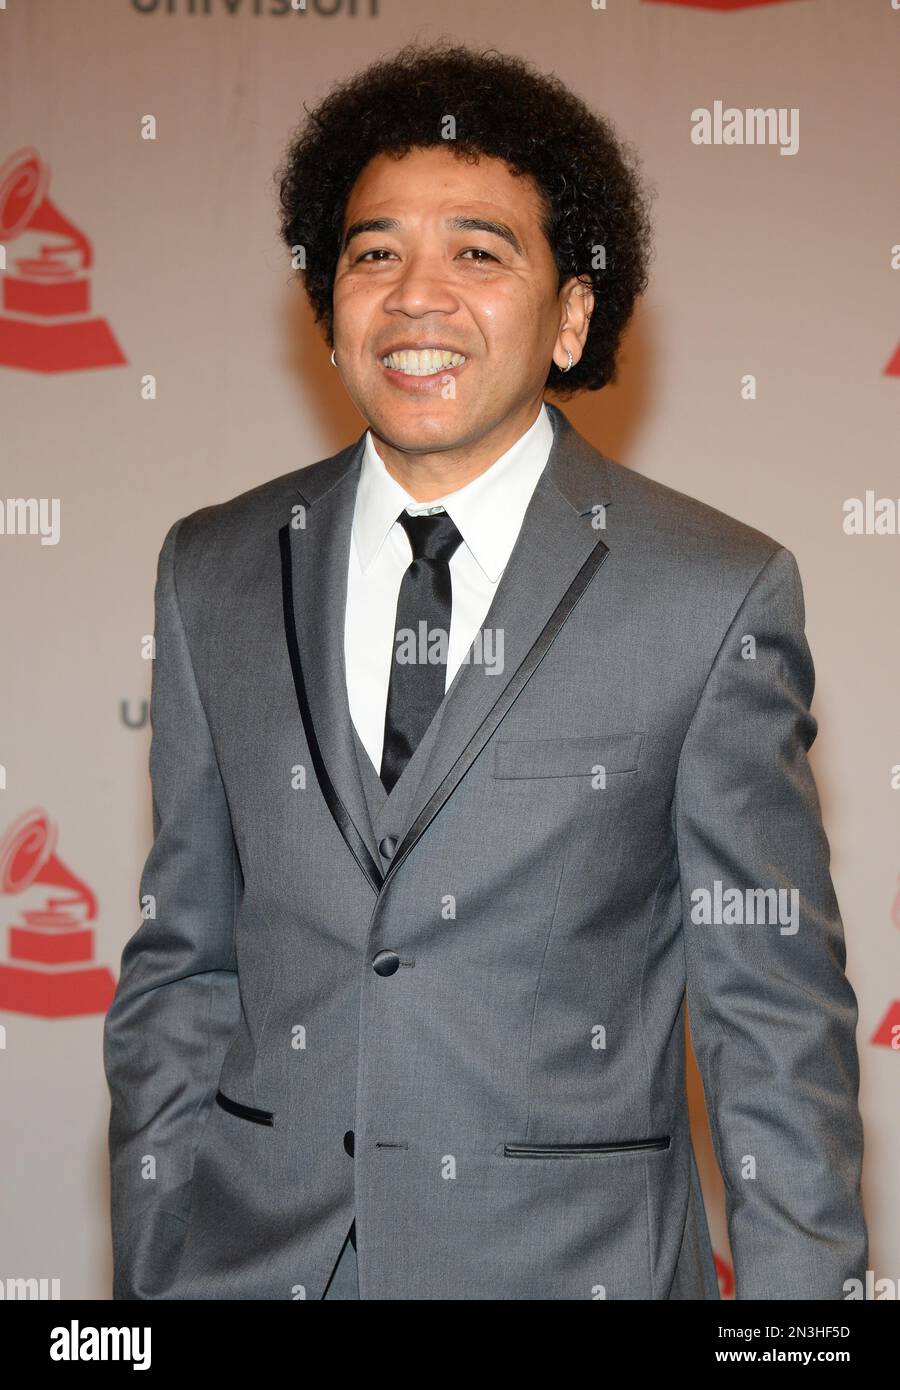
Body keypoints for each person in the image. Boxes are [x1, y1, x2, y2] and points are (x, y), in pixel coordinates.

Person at [103, 39, 867, 1300]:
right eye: (373, 251)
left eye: (479, 250)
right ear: (329, 302)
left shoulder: (711, 590)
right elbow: (184, 967)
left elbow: (772, 1022)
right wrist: (155, 1266)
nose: (416, 296)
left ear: (573, 314)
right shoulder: (214, 569)